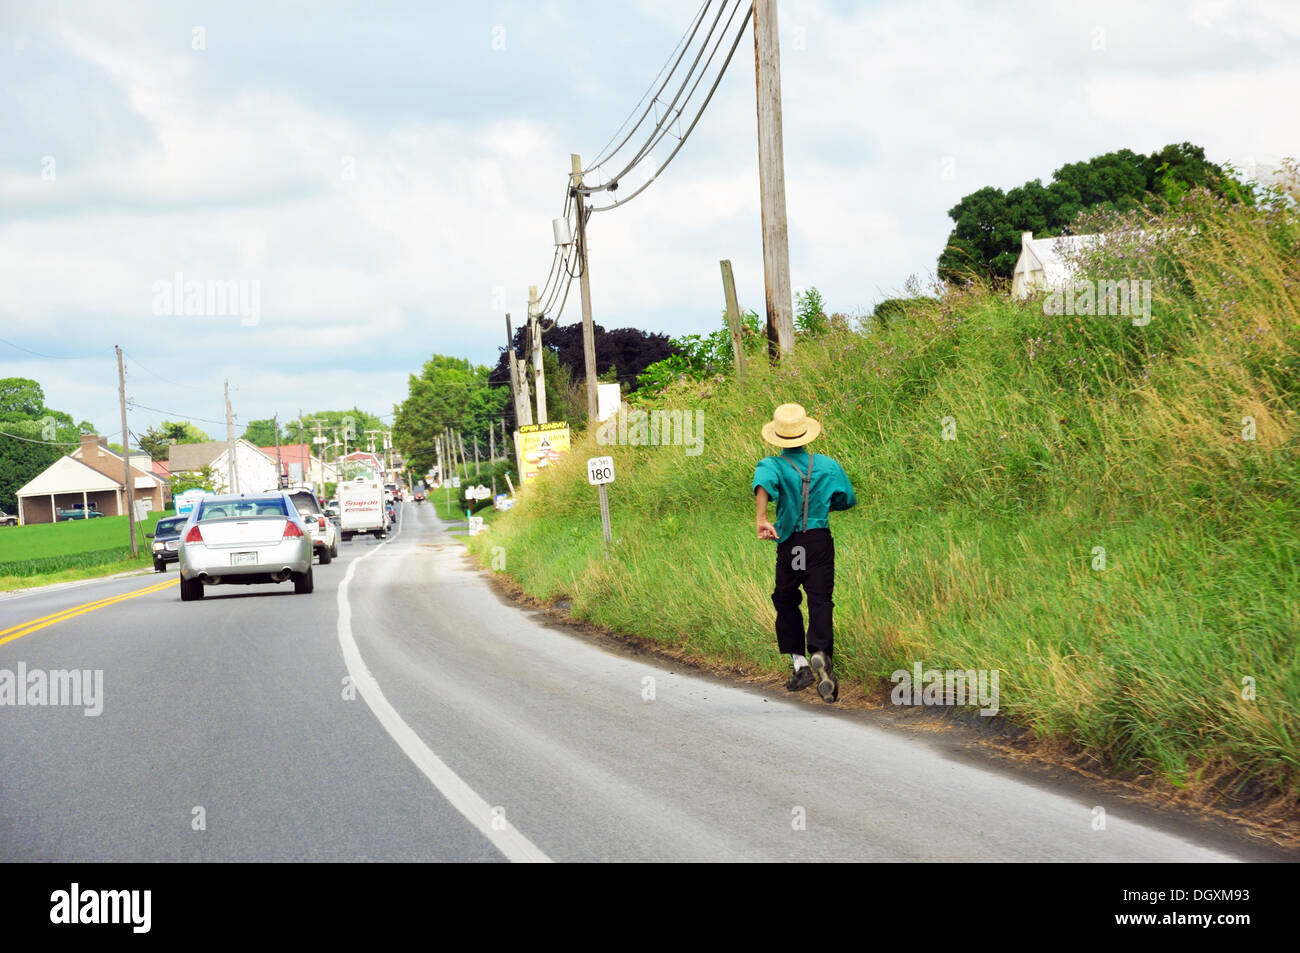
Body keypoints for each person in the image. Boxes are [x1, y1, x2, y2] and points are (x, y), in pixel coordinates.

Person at [752, 403, 857, 702]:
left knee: (786, 598)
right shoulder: (827, 464)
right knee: (820, 600)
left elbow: (763, 483)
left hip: (793, 544)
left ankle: (800, 665)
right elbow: (846, 498)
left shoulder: (773, 464)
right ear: (806, 434)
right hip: (820, 540)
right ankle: (821, 654)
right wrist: (824, 505)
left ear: (777, 437)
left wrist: (761, 519)